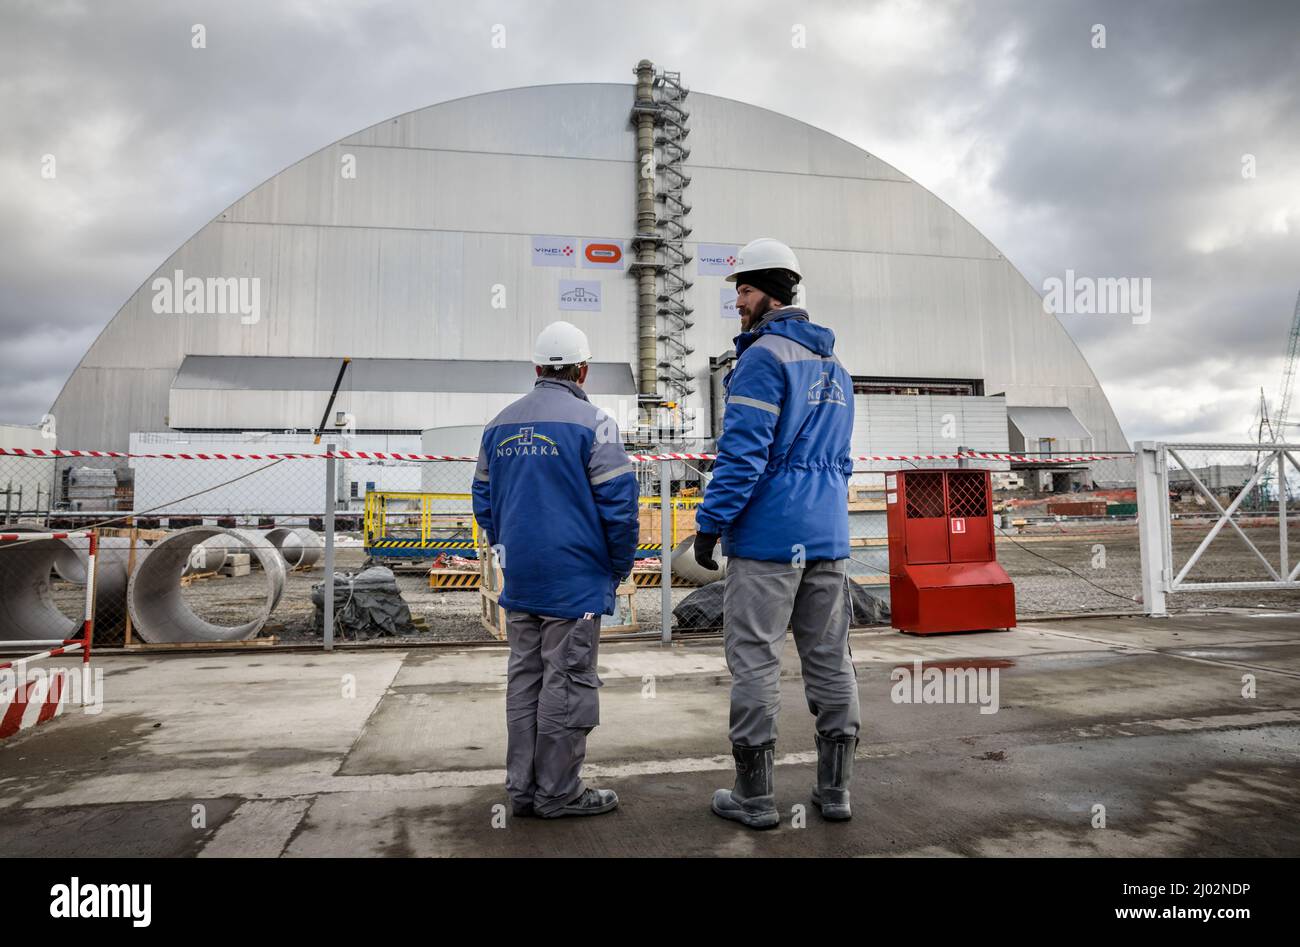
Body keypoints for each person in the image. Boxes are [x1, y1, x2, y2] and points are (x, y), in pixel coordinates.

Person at [693, 238, 861, 829]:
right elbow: (839, 460)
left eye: (743, 289)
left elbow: (743, 457)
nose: (737, 302)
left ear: (772, 292)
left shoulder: (762, 359)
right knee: (830, 659)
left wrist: (710, 523)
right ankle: (835, 792)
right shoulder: (837, 367)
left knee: (756, 660)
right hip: (828, 536)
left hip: (768, 539)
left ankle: (755, 797)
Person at [471, 321, 639, 818]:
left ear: (538, 368)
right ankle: (558, 794)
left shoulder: (499, 423)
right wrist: (616, 565)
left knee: (525, 682)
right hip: (575, 583)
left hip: (521, 579)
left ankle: (522, 790)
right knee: (566, 683)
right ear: (582, 369)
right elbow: (621, 507)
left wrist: (510, 548)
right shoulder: (596, 424)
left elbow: (483, 501)